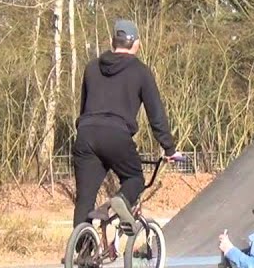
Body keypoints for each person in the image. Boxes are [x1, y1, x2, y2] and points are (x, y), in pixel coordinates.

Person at [72, 18, 183, 230]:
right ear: (135, 44)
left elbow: (84, 107)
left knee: (85, 198)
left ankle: (81, 254)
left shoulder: (91, 68)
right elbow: (156, 114)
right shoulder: (140, 71)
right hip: (116, 134)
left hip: (85, 134)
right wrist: (168, 148)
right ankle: (122, 201)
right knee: (134, 178)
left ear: (113, 42)